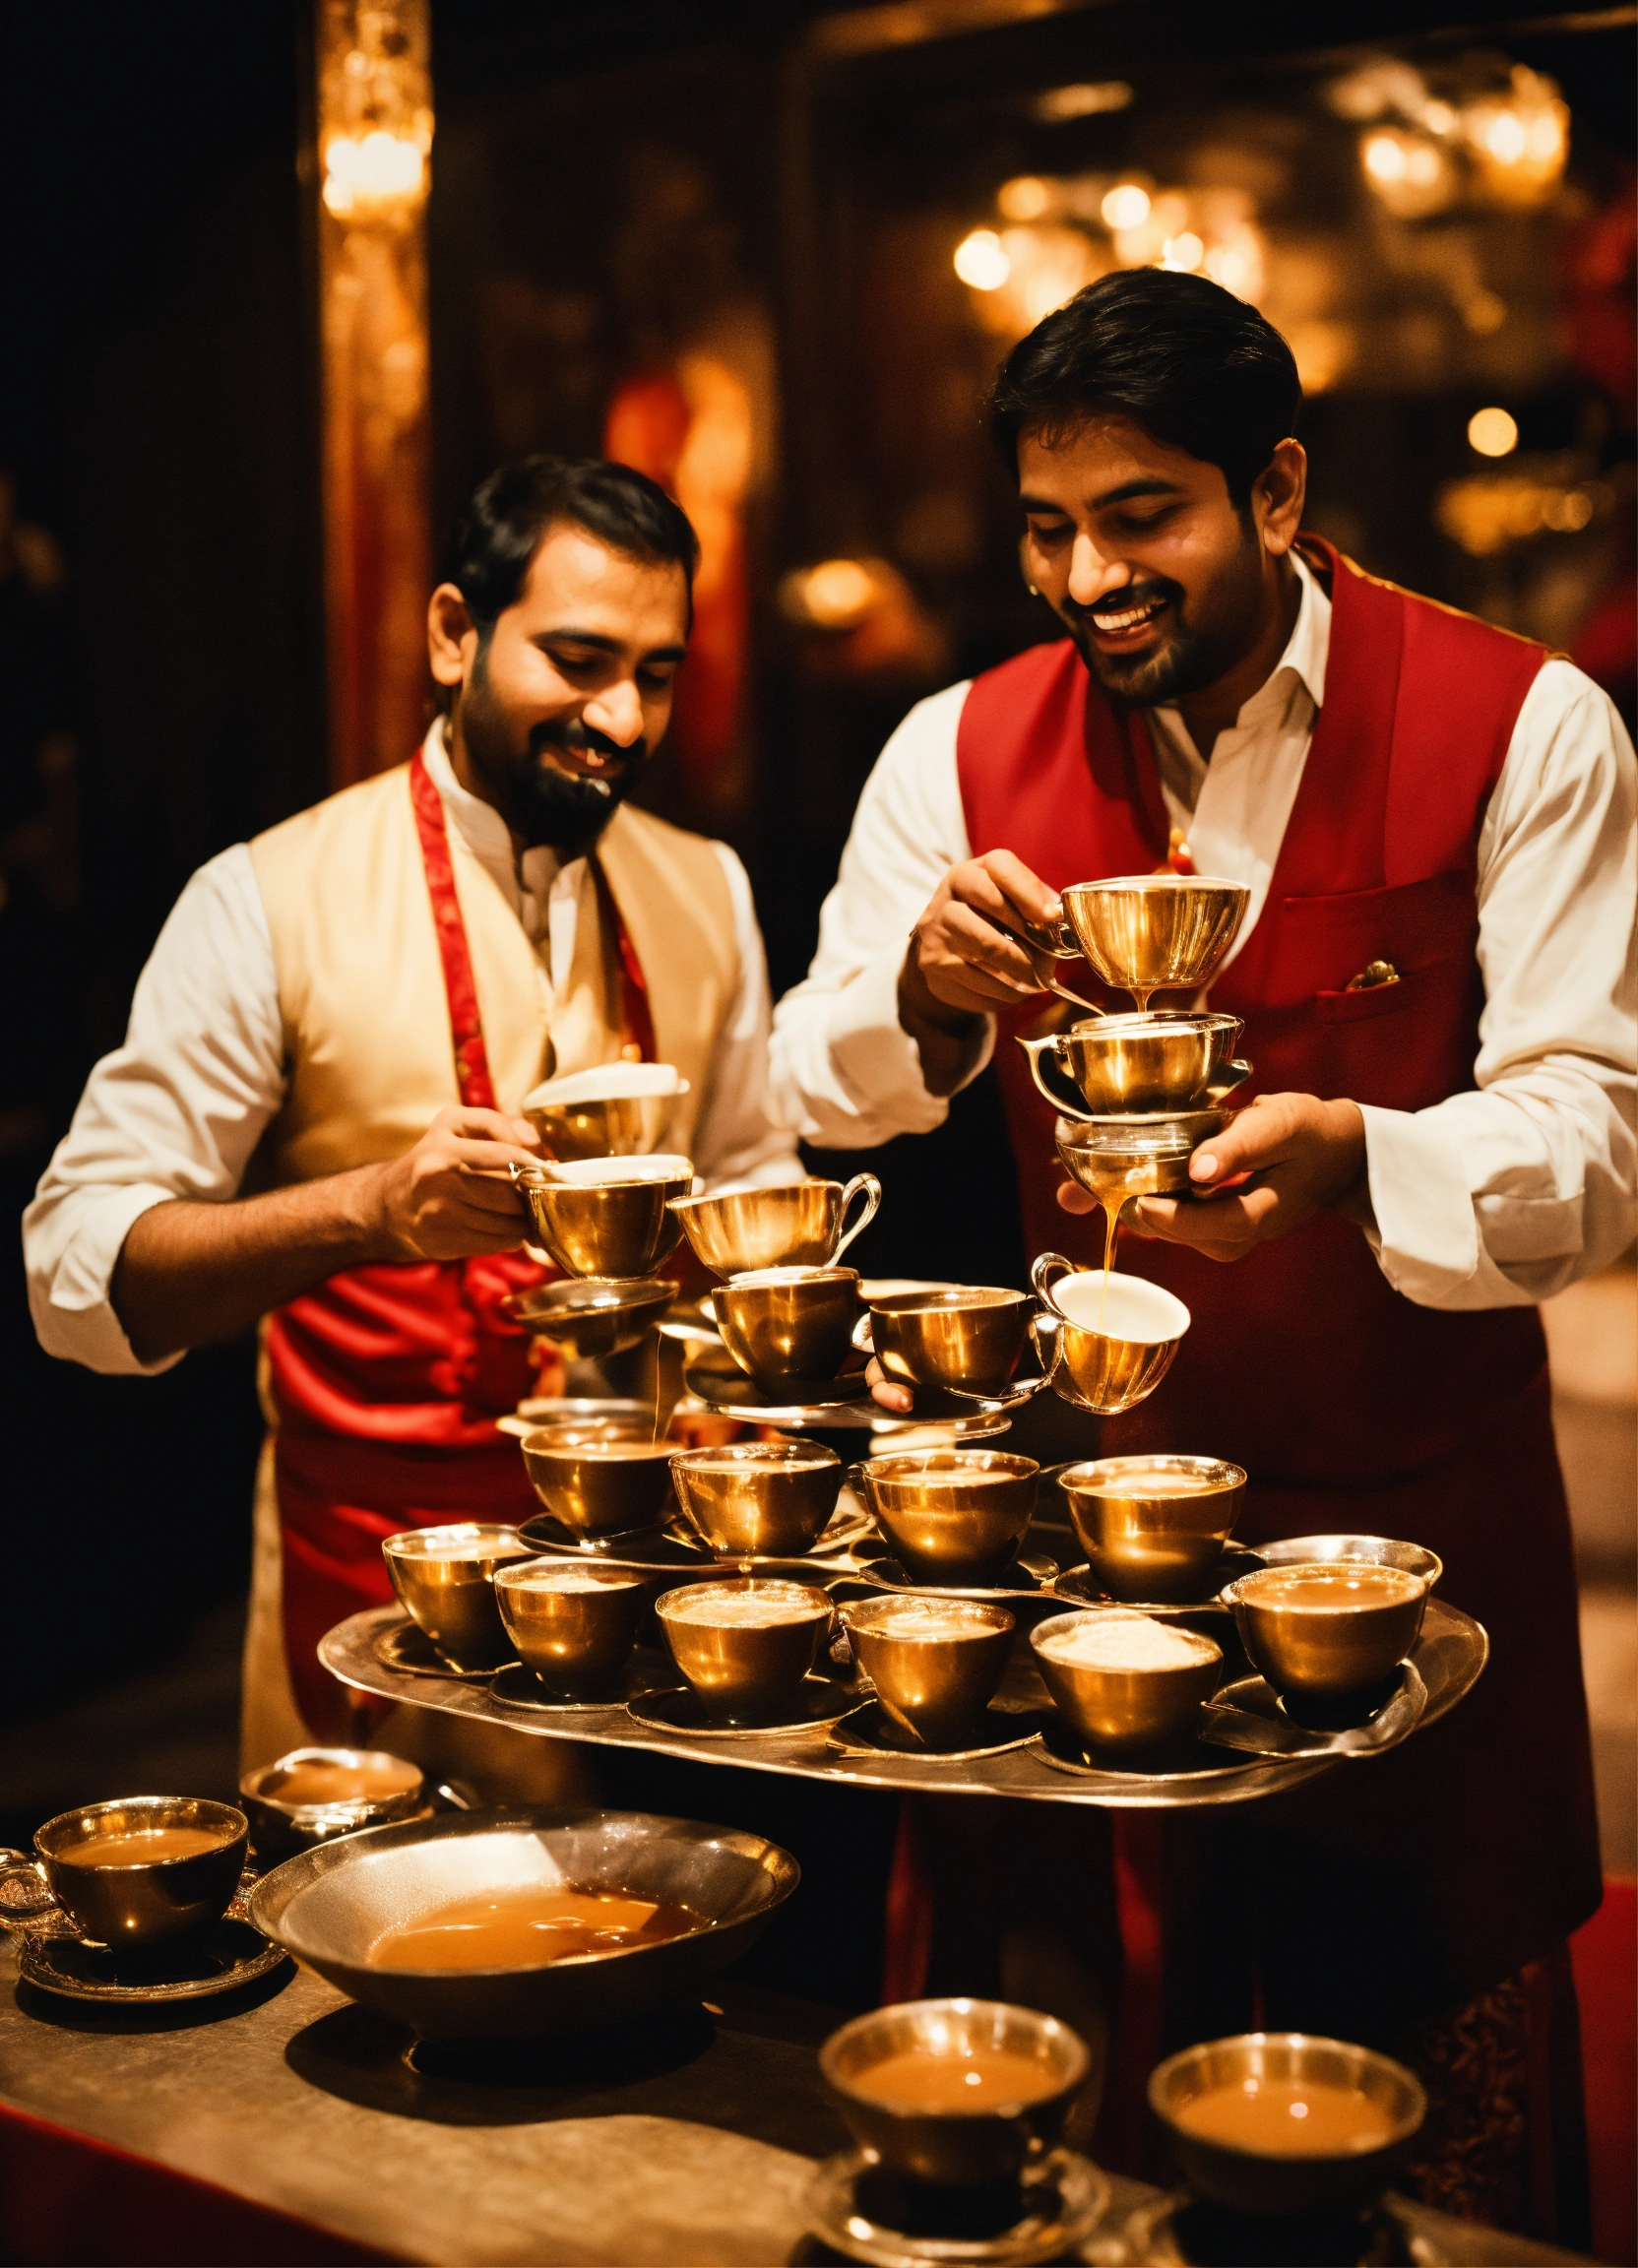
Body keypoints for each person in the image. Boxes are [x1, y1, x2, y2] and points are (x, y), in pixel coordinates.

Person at [771, 271, 1633, 2229]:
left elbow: (1596, 1143)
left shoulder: (1522, 723)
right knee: (1068, 2087)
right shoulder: (954, 751)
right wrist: (916, 985)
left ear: (1274, 491)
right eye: (1046, 528)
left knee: (1422, 2120)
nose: (1086, 578)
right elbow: (818, 1080)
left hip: (1412, 1535)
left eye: (1138, 515)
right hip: (1081, 1543)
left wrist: (1356, 1158)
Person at [26, 456, 798, 1777]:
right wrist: (367, 1209)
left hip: (673, 1616)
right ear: (453, 633)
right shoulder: (267, 897)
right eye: (577, 659)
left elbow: (750, 1189)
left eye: (656, 673)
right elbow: (71, 1278)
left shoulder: (706, 887)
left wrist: (783, 1360)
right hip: (387, 1611)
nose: (621, 716)